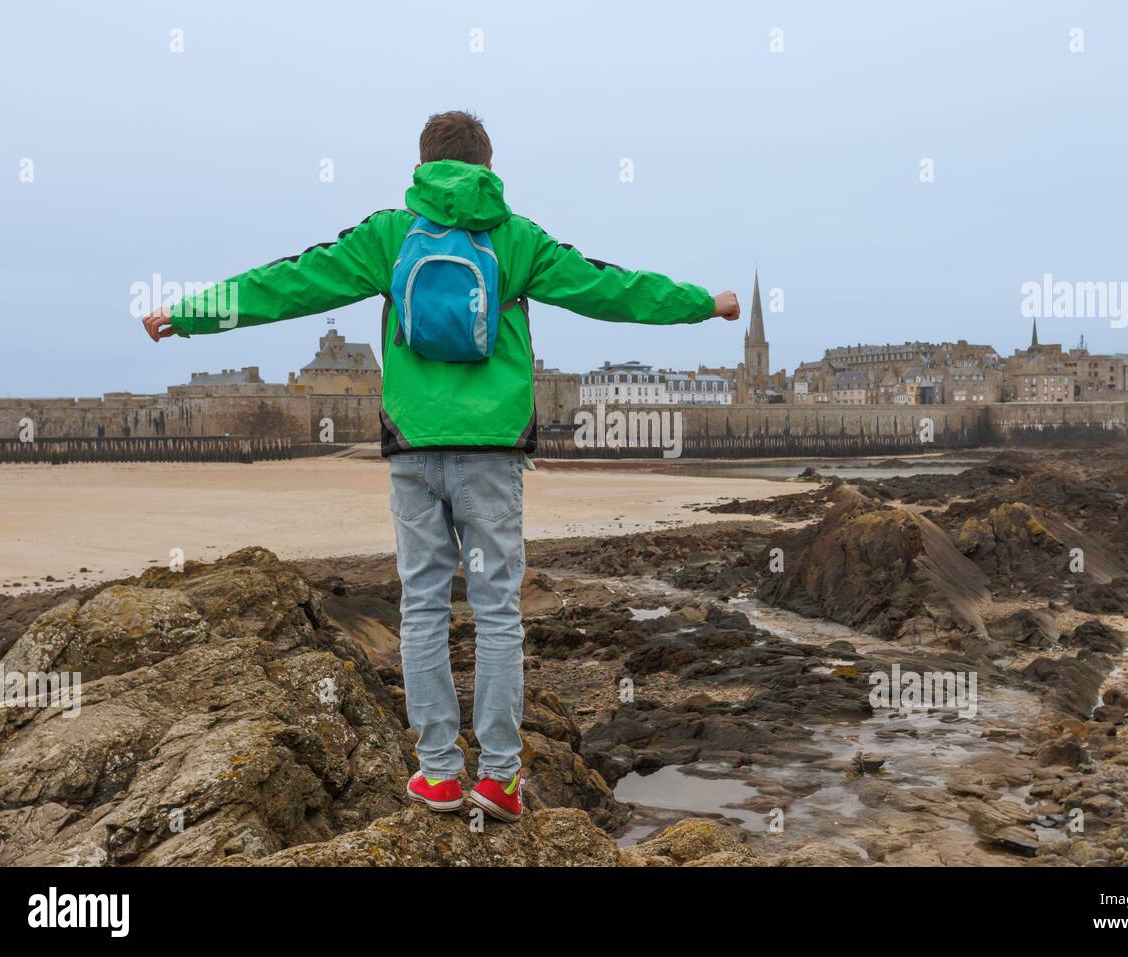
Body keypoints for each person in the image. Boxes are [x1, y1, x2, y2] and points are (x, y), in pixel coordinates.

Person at [143, 109, 740, 821]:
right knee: (496, 613)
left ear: (423, 164)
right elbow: (613, 289)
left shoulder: (390, 236)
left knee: (422, 606)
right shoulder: (516, 239)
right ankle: (498, 778)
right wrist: (703, 304)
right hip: (492, 456)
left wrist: (192, 311)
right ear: (489, 164)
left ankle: (437, 775)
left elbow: (288, 281)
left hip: (414, 451)